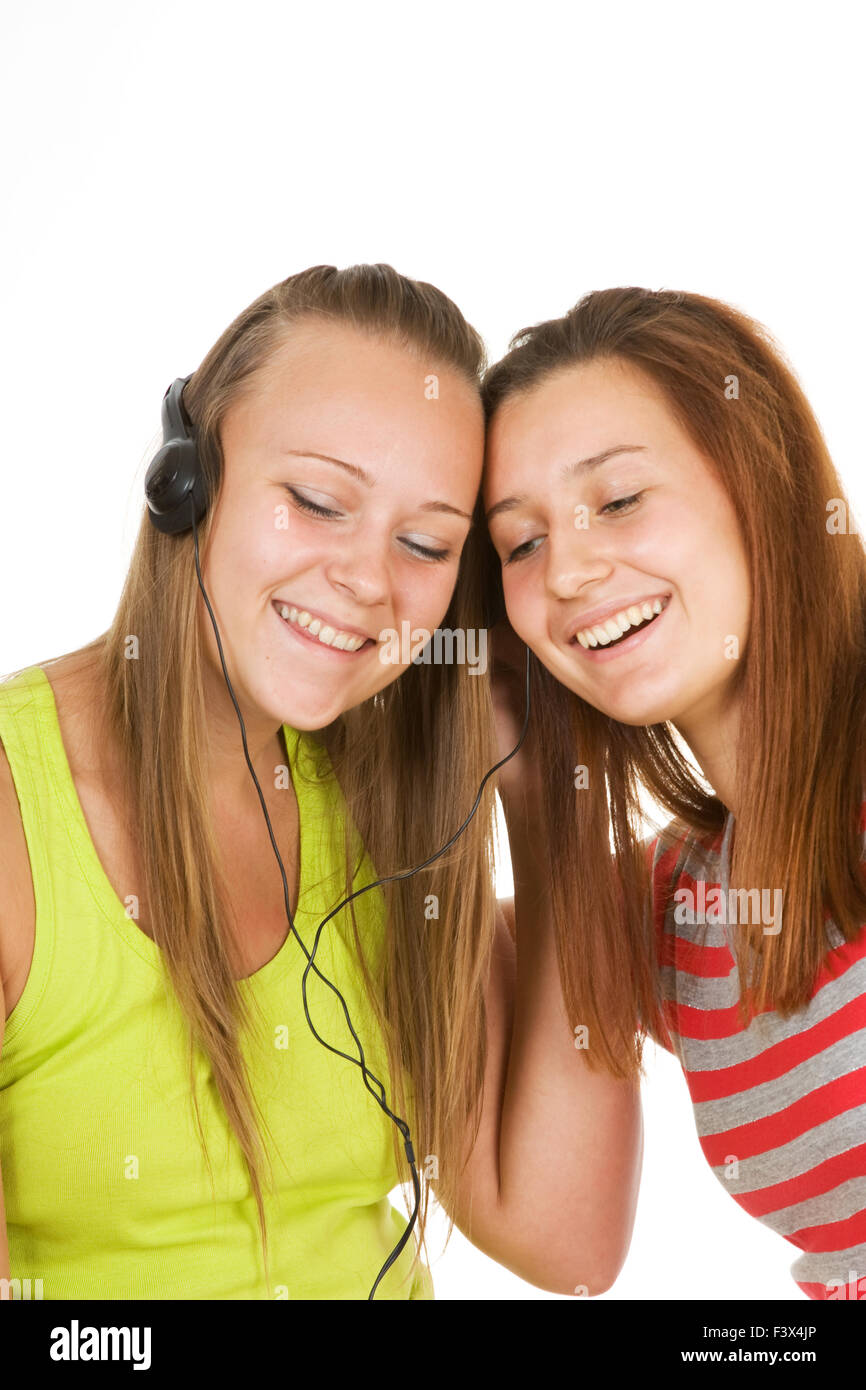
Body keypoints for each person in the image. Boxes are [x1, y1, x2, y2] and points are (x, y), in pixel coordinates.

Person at [0, 263, 640, 1301]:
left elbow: (563, 1241)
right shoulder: (14, 816)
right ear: (187, 481)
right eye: (315, 500)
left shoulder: (391, 813)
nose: (367, 579)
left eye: (424, 542)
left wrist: (549, 790)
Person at [480, 285, 866, 1301]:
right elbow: (566, 1240)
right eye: (519, 542)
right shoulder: (673, 907)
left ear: (758, 483)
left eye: (615, 499)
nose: (566, 569)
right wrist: (528, 785)